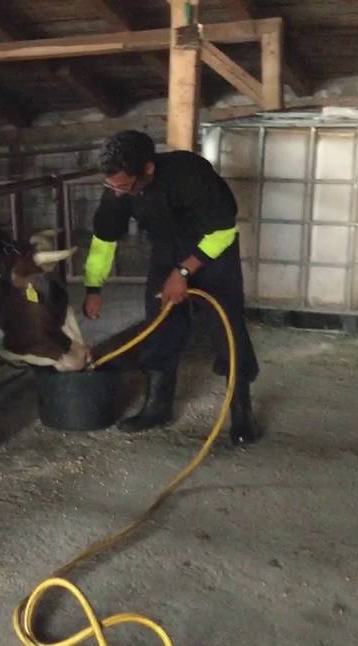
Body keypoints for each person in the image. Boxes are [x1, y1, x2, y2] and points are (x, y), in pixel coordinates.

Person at [82, 129, 261, 445]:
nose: (116, 192)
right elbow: (104, 238)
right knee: (159, 323)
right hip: (165, 251)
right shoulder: (117, 189)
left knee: (227, 327)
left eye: (123, 186)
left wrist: (183, 272)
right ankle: (157, 407)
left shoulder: (190, 173)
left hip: (212, 250)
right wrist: (93, 287)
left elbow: (224, 231)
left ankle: (241, 409)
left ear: (148, 169)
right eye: (110, 186)